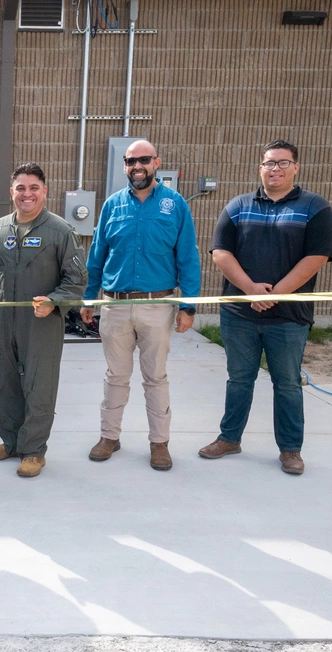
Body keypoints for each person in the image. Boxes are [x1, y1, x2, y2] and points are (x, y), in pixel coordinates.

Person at [201, 139, 332, 475]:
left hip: (288, 317)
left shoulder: (314, 207)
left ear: (296, 167)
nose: (275, 169)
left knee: (287, 383)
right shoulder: (238, 205)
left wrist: (276, 293)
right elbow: (221, 252)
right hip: (239, 315)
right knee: (239, 380)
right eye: (269, 163)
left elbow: (317, 256)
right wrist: (250, 290)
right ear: (260, 168)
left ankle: (290, 450)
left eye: (283, 163)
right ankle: (229, 438)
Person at [81, 140, 201, 471]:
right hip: (115, 305)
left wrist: (188, 306)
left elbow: (188, 257)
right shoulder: (112, 205)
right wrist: (90, 297)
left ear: (156, 163)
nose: (137, 166)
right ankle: (109, 436)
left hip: (157, 306)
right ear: (125, 166)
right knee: (116, 376)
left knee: (155, 377)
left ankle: (159, 443)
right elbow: (97, 255)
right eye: (130, 160)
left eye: (144, 160)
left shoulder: (175, 205)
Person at [0, 163, 88, 478]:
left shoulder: (60, 231)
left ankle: (34, 450)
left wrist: (54, 302)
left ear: (44, 191)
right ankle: (11, 443)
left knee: (39, 386)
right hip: (6, 323)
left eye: (34, 188)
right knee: (5, 384)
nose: (27, 194)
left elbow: (77, 279)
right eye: (21, 188)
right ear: (12, 192)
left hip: (42, 324)